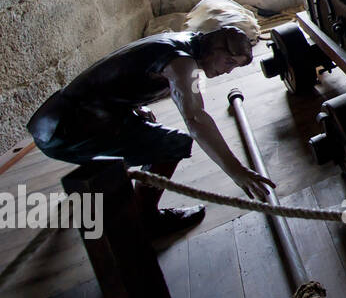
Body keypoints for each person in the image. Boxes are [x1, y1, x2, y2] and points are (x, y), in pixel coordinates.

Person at [26, 27, 276, 238]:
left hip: (53, 121)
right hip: (67, 131)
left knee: (147, 136)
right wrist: (237, 171)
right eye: (229, 62)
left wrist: (134, 106)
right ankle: (145, 219)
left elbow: (120, 74)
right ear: (215, 48)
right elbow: (196, 118)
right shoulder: (182, 62)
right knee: (173, 144)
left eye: (235, 67)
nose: (228, 70)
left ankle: (110, 193)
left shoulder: (182, 40)